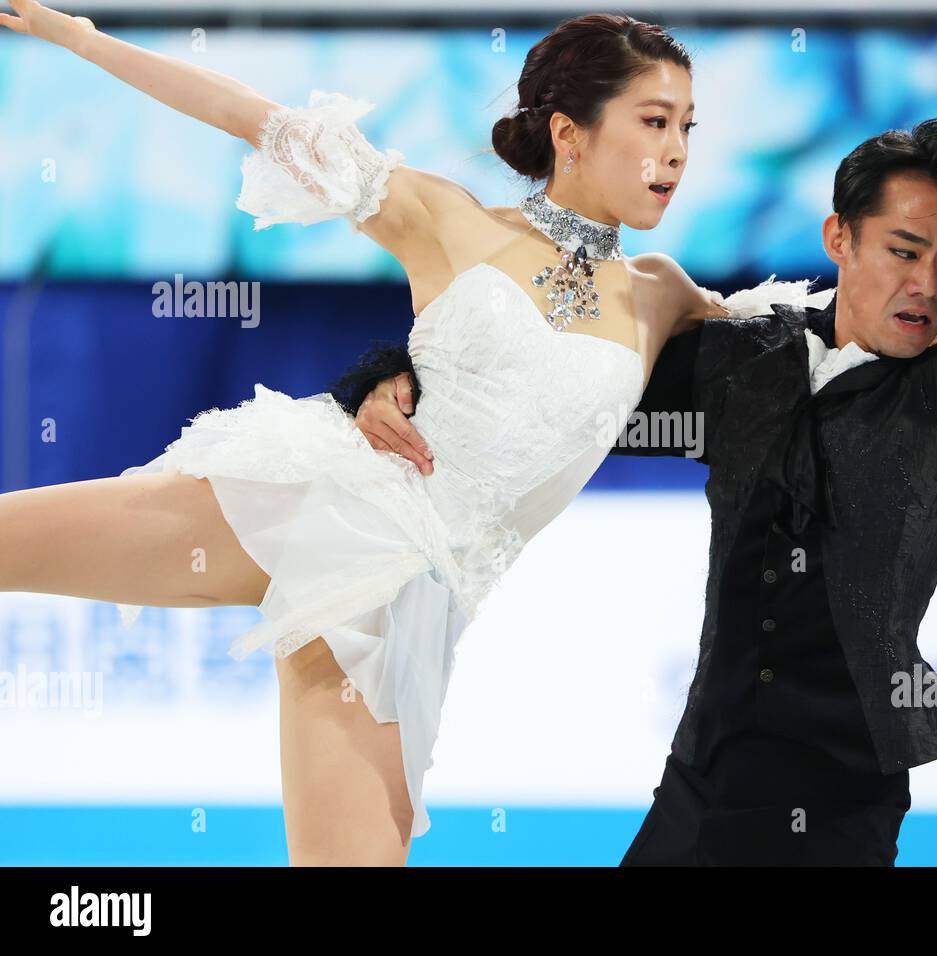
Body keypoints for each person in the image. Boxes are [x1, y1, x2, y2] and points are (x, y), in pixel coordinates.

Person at [344, 0, 937, 865]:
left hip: (838, 817)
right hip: (696, 788)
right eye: (904, 249)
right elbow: (551, 383)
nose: (930, 283)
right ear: (838, 238)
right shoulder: (743, 362)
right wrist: (390, 380)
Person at [0, 7, 735, 864]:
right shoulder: (451, 219)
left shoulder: (661, 292)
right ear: (570, 132)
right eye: (654, 121)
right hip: (321, 494)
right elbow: (251, 115)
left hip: (410, 598)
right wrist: (86, 41)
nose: (678, 150)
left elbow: (809, 336)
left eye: (687, 126)